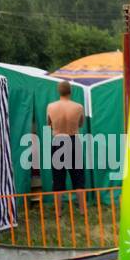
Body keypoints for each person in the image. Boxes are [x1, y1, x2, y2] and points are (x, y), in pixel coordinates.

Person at [46, 80, 86, 208]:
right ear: (70, 91)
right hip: (73, 140)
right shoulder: (78, 107)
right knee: (78, 177)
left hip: (58, 140)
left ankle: (58, 212)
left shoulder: (51, 107)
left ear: (59, 91)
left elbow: (49, 124)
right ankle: (82, 209)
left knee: (58, 178)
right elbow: (80, 124)